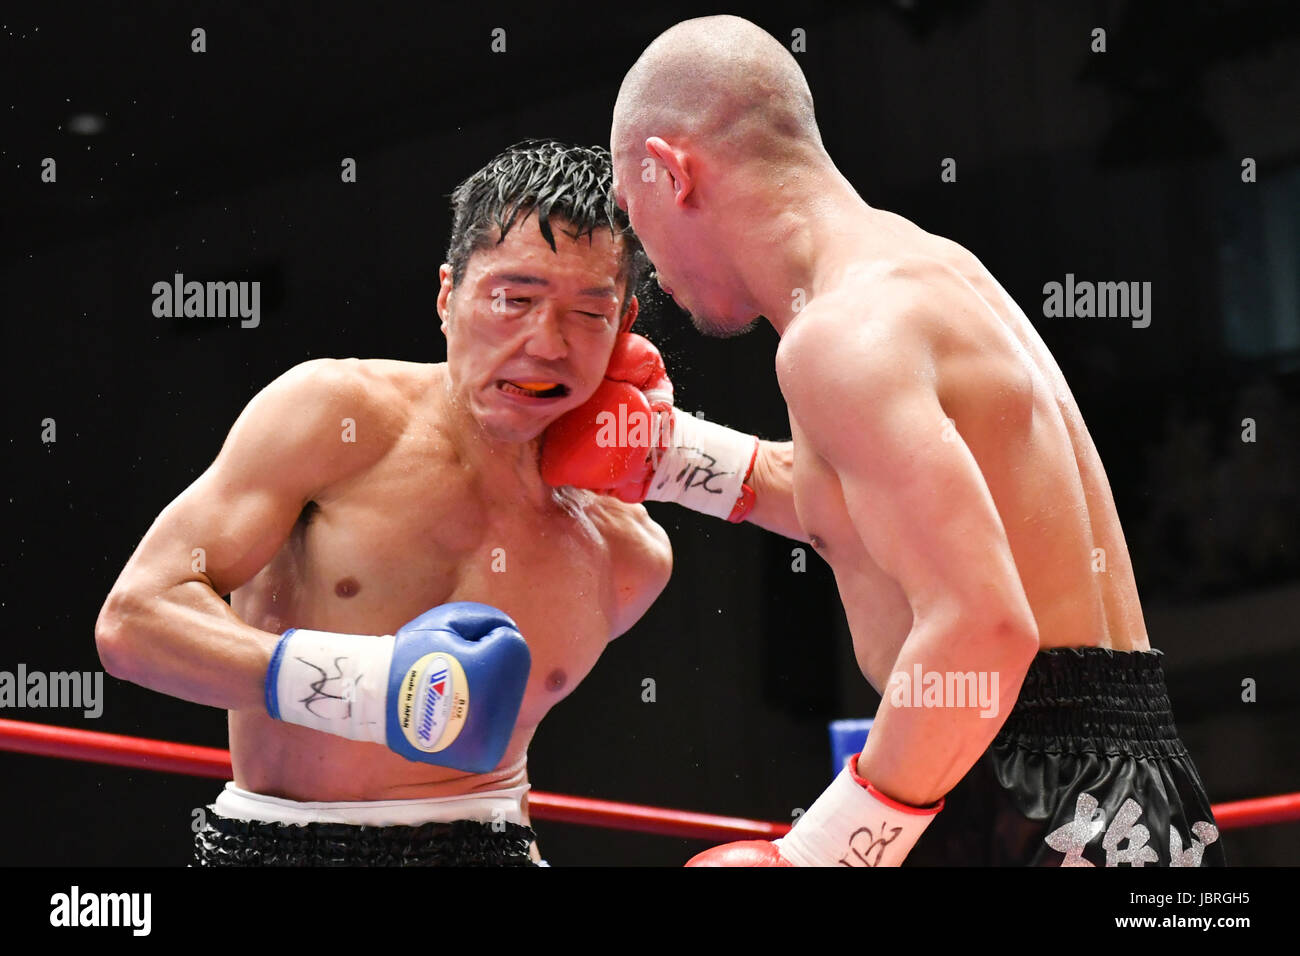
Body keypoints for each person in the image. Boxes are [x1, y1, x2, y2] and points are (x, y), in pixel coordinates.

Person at [604, 16, 1224, 866]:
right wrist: (668, 455)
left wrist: (817, 855)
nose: (652, 270)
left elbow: (983, 627)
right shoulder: (926, 272)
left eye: (635, 222)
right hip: (1126, 786)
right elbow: (870, 509)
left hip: (1023, 789)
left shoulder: (838, 339)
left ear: (672, 173)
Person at [93, 140, 790, 866]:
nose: (545, 343)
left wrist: (678, 457)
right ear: (447, 297)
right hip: (269, 846)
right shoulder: (335, 418)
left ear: (624, 328)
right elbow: (135, 622)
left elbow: (865, 492)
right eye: (513, 299)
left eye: (588, 313)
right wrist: (371, 688)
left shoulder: (628, 555)